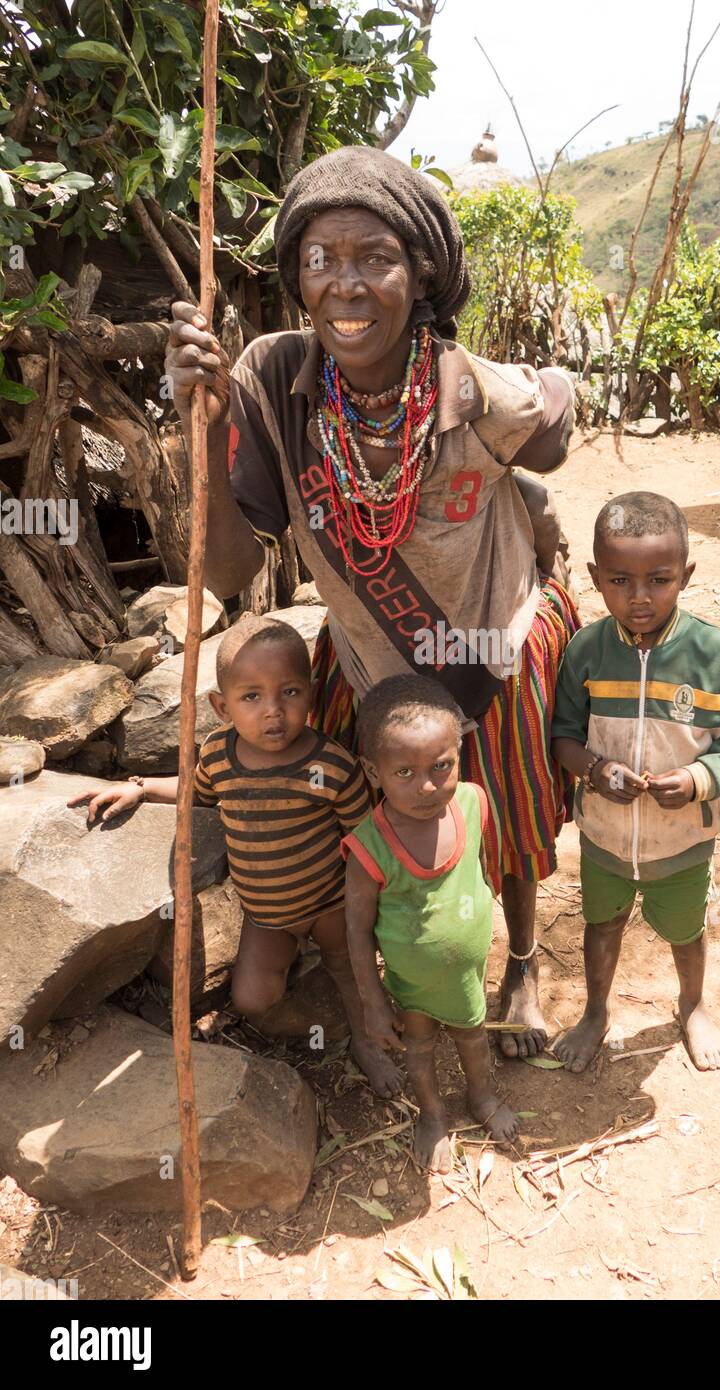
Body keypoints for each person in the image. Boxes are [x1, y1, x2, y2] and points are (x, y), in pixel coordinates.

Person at [164, 144, 581, 1061]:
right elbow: (233, 573)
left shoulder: (459, 379)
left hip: (489, 643)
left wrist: (536, 443)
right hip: (372, 657)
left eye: (374, 260)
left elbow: (554, 429)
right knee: (388, 818)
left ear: (420, 272)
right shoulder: (275, 382)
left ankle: (522, 959)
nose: (345, 286)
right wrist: (213, 427)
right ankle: (404, 957)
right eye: (320, 261)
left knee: (503, 814)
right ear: (296, 278)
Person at [67, 614, 404, 1097]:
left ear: (311, 692)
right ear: (221, 706)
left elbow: (365, 843)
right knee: (252, 999)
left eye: (289, 692)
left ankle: (364, 1041)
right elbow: (198, 791)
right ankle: (300, 970)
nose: (274, 711)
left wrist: (365, 914)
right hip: (268, 915)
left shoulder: (331, 765)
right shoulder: (219, 755)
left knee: (348, 967)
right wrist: (141, 788)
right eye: (252, 697)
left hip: (330, 903)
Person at [550, 493, 720, 1074]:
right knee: (601, 924)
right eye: (621, 580)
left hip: (682, 838)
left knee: (685, 929)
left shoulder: (713, 652)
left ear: (686, 576)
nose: (640, 597)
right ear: (596, 578)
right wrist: (596, 771)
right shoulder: (586, 652)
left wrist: (702, 778)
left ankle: (693, 1005)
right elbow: (563, 737)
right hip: (603, 836)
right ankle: (596, 1012)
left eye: (660, 579)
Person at [342, 674, 518, 1173]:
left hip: (466, 974)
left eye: (441, 766)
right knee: (419, 1046)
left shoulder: (472, 801)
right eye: (404, 773)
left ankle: (481, 1097)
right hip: (413, 985)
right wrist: (374, 1004)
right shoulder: (369, 847)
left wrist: (483, 907)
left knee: (473, 1034)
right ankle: (433, 1113)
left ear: (459, 754)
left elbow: (487, 864)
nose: (426, 786)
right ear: (373, 772)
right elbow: (356, 931)